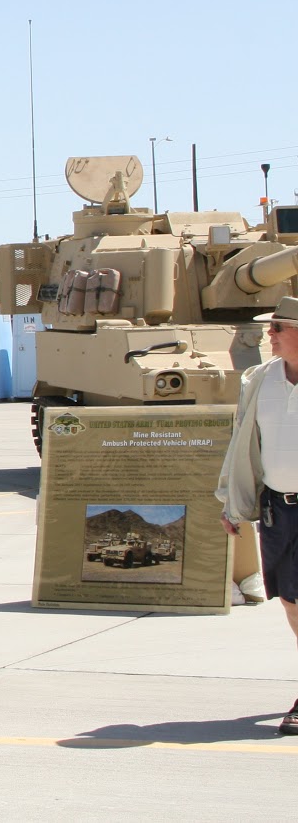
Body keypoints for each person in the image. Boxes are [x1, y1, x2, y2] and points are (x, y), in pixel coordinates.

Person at [216, 296, 298, 736]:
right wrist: (234, 503)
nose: (269, 334)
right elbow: (242, 444)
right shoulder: (260, 379)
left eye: (279, 327)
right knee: (289, 600)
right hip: (278, 508)